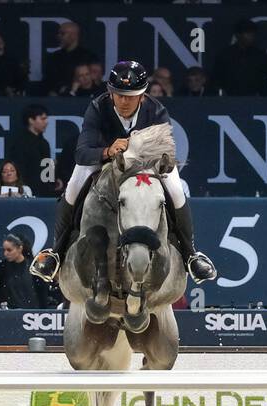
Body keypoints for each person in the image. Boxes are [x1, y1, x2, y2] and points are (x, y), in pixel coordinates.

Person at [31, 61, 216, 283]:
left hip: (146, 163)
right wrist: (107, 150)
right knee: (72, 187)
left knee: (176, 191)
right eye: (119, 95)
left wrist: (156, 159)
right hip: (103, 159)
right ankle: (56, 253)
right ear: (110, 93)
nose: (124, 101)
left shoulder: (156, 110)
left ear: (143, 95)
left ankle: (190, 255)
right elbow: (82, 153)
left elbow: (166, 152)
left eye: (131, 95)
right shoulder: (98, 108)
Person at [7, 105, 57, 198]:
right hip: (26, 191)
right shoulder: (20, 143)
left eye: (46, 119)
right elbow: (19, 168)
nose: (46, 122)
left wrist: (53, 182)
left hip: (44, 192)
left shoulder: (44, 143)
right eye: (42, 119)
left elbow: (47, 167)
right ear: (31, 120)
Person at [211, 19, 267, 96]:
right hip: (229, 99)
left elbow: (264, 80)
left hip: (254, 100)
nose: (251, 36)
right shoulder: (224, 54)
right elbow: (217, 78)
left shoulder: (260, 55)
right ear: (238, 35)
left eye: (253, 34)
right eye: (248, 33)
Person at [0, 234, 48, 309]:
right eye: (4, 250)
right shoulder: (1, 268)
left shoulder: (34, 266)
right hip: (10, 315)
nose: (5, 253)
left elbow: (42, 293)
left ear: (20, 249)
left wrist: (42, 312)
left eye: (9, 250)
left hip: (33, 314)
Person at [42, 21, 96, 96]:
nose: (59, 36)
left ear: (73, 35)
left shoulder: (88, 57)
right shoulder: (53, 58)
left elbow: (93, 82)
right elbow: (48, 81)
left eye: (62, 33)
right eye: (59, 34)